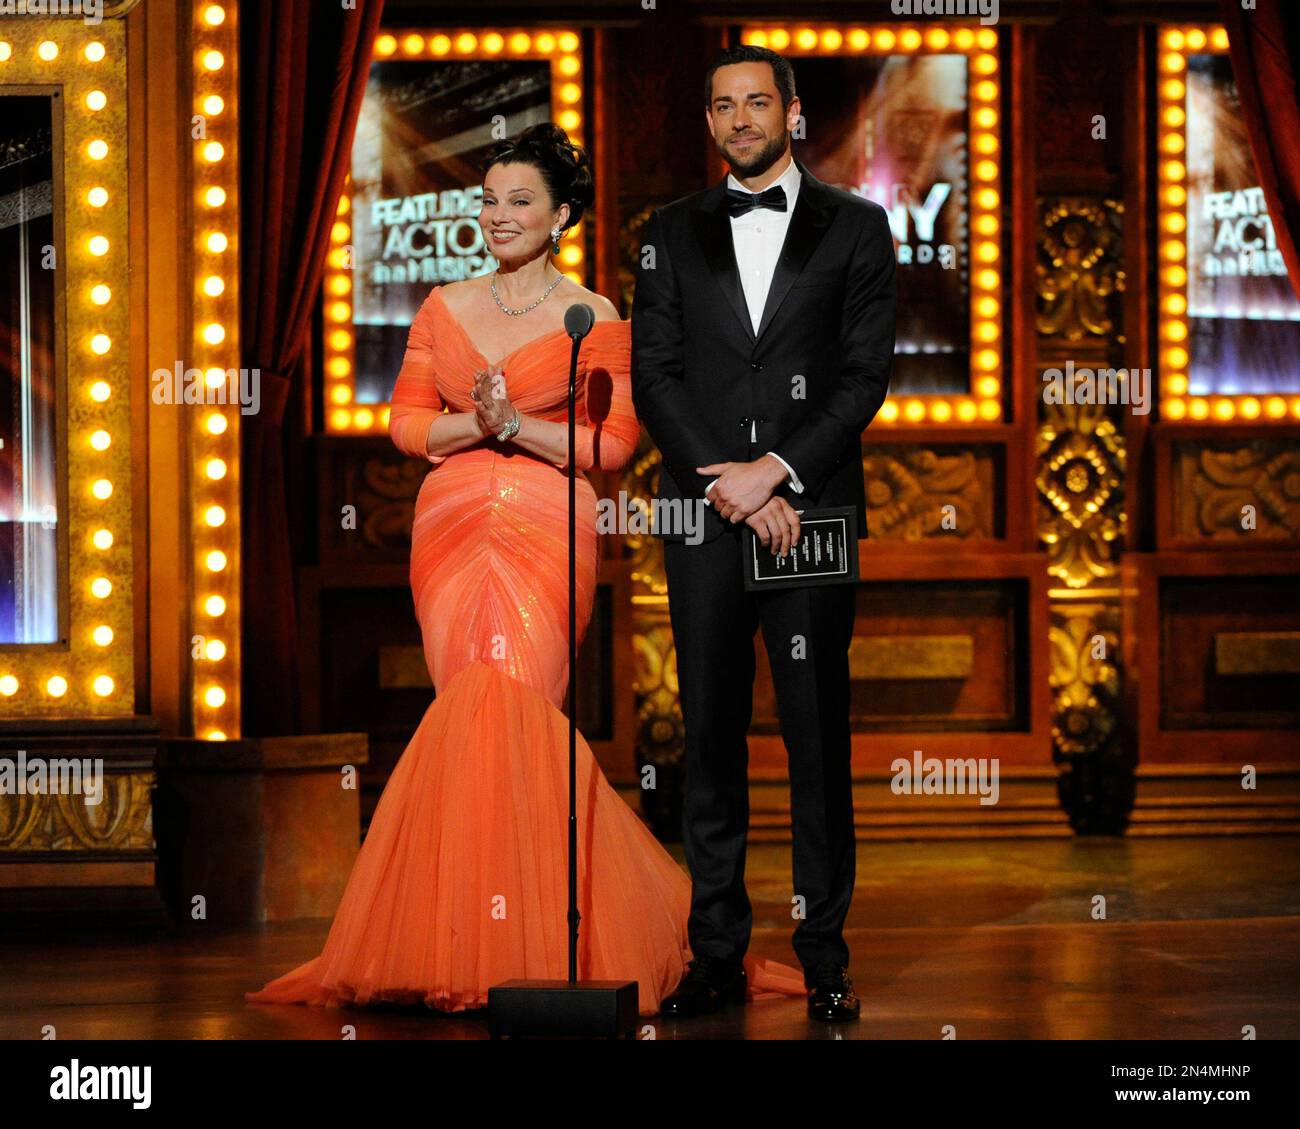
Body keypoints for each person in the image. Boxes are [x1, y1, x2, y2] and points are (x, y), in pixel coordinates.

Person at [245, 123, 804, 1017]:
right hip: (452, 523)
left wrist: (519, 428)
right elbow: (405, 425)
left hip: (551, 521)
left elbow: (615, 443)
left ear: (562, 215)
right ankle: (461, 941)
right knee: (465, 710)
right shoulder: (442, 305)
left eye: (519, 202)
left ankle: (541, 943)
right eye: (488, 202)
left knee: (517, 709)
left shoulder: (597, 318)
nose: (498, 217)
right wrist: (478, 423)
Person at [631, 45, 897, 1021]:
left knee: (815, 739)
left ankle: (823, 953)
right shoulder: (665, 233)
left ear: (790, 112)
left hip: (811, 508)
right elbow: (653, 374)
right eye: (721, 105)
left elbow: (863, 376)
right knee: (709, 735)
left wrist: (777, 470)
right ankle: (715, 954)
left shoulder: (858, 227)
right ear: (707, 123)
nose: (739, 118)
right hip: (704, 517)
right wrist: (733, 485)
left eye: (757, 101)